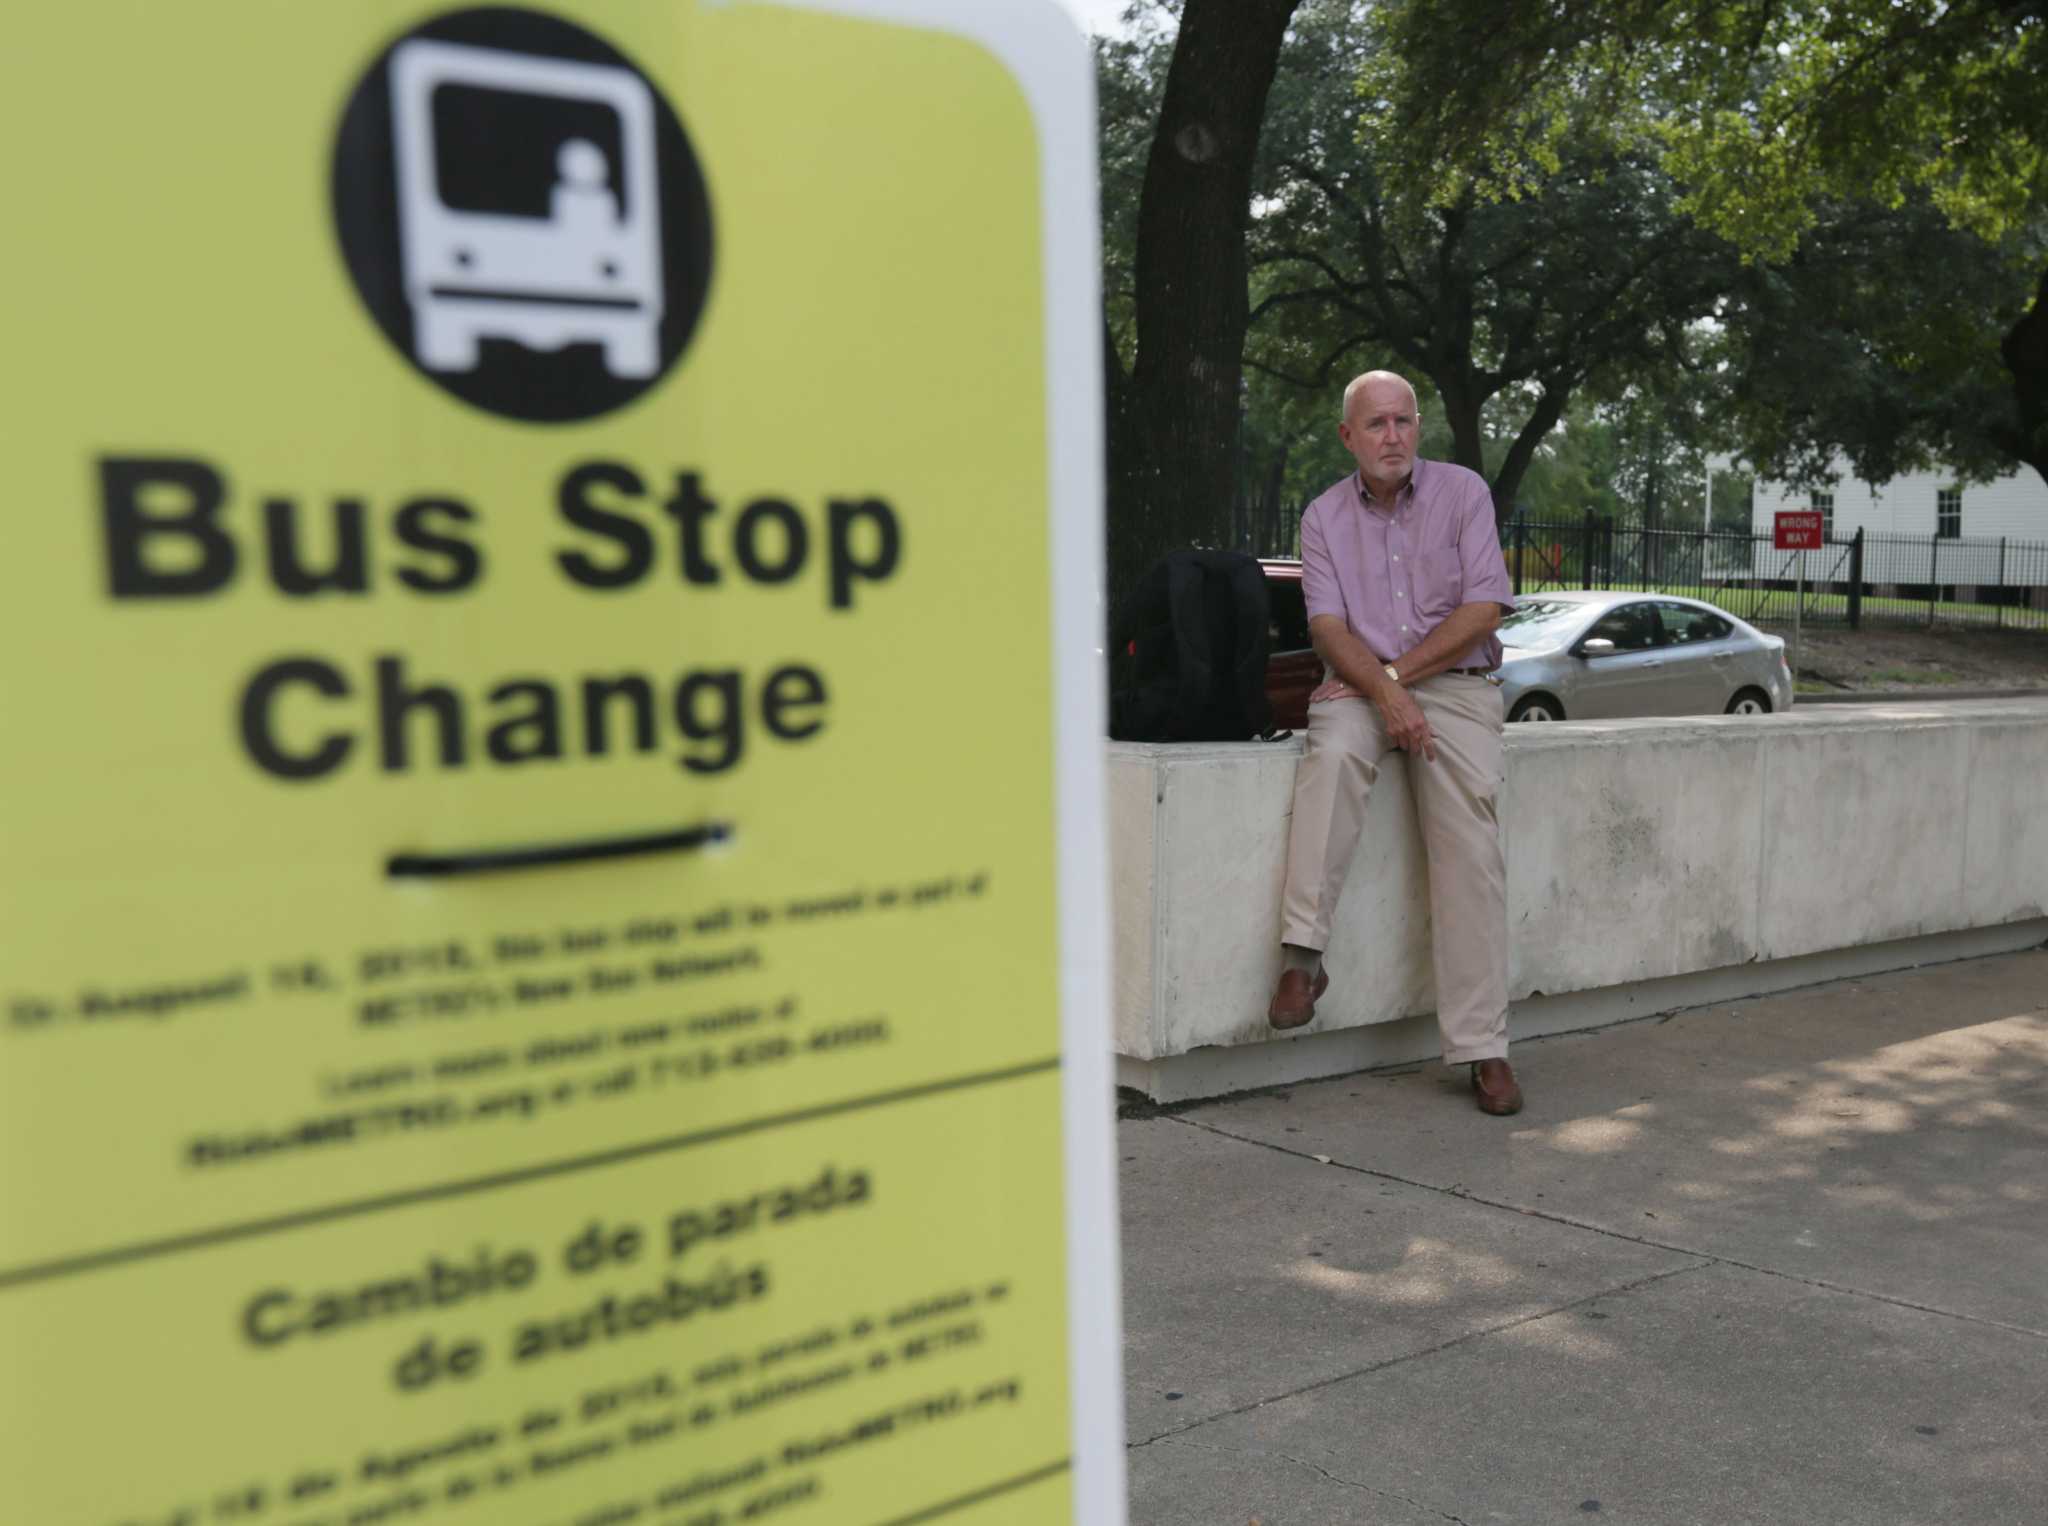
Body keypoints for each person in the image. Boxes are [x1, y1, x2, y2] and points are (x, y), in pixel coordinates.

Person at [1265, 370, 1523, 1116]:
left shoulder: (1462, 493)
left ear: (1420, 429)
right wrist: (1383, 692)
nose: (1392, 438)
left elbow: (1484, 609)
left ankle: (1483, 1048)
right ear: (1348, 437)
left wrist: (1397, 680)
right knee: (1333, 759)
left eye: (1404, 422)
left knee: (1470, 846)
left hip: (1450, 684)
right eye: (1375, 425)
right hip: (1359, 689)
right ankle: (1301, 962)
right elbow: (1326, 629)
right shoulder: (1322, 518)